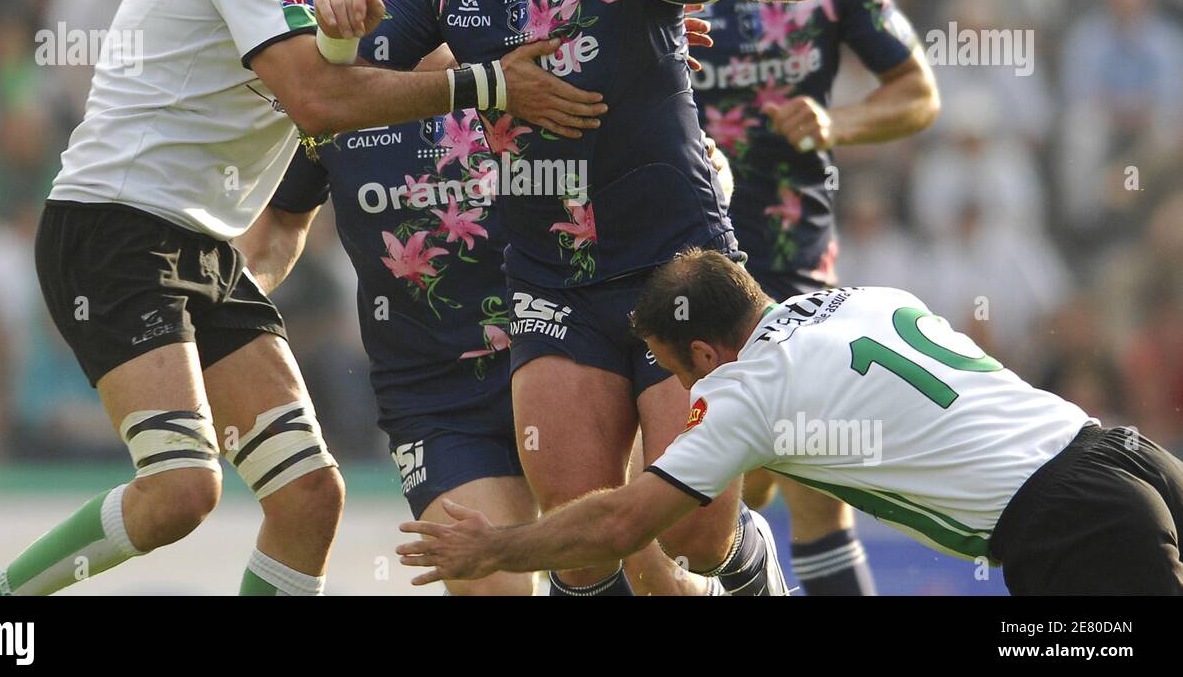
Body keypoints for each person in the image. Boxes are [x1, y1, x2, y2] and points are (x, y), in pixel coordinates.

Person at [0, 0, 602, 597]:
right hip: (116, 223)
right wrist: (489, 82)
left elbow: (386, 74)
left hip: (199, 242)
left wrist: (584, 42)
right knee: (182, 490)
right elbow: (320, 100)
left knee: (309, 496)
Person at [363, 0, 830, 596]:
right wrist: (350, 24)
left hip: (678, 268)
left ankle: (753, 571)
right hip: (551, 283)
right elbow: (355, 78)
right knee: (576, 547)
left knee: (694, 535)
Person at [242, 0, 734, 596]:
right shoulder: (345, 104)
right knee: (494, 586)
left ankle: (743, 567)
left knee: (662, 569)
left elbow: (667, 164)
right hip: (440, 397)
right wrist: (230, 308)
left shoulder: (552, 76)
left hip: (577, 352)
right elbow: (278, 227)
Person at [399, 250, 1183, 596]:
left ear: (705, 351)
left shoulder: (744, 390)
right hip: (1129, 458)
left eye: (676, 372)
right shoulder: (873, 300)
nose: (682, 389)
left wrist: (496, 547)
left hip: (1072, 526)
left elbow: (624, 520)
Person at [670, 0, 940, 595]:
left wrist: (835, 123)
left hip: (797, 260)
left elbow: (917, 92)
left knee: (816, 481)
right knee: (712, 498)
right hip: (683, 264)